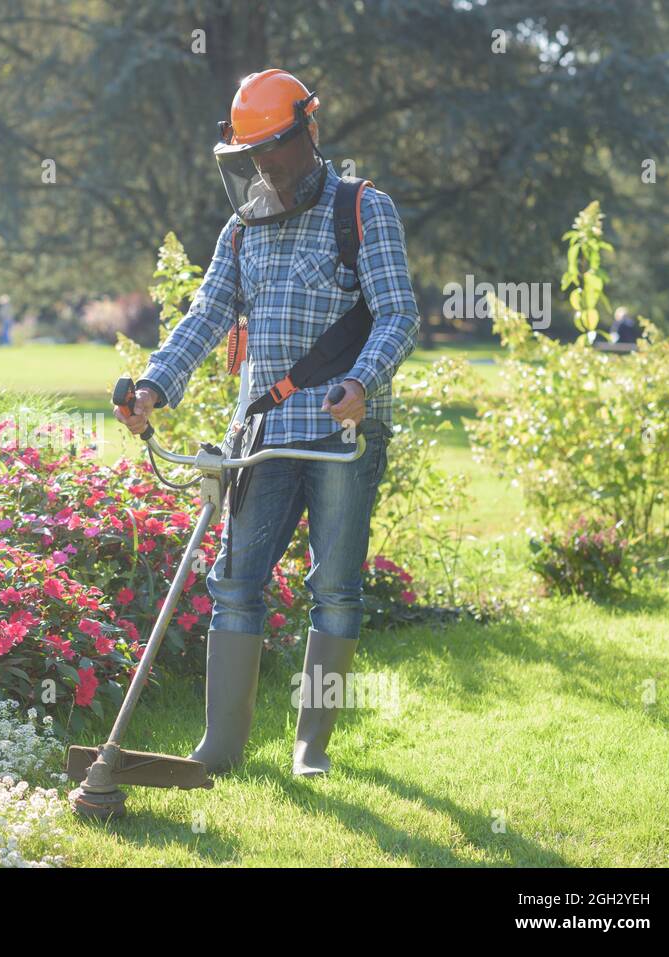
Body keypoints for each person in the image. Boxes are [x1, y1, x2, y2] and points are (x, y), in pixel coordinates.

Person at [114, 69, 419, 777]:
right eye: (253, 157)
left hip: (344, 432)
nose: (267, 168)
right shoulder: (242, 226)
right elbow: (207, 314)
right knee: (234, 579)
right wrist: (156, 385)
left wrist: (360, 382)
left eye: (276, 150)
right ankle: (219, 750)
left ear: (309, 131)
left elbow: (399, 314)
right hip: (266, 437)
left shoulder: (364, 210)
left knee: (335, 587)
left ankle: (311, 746)